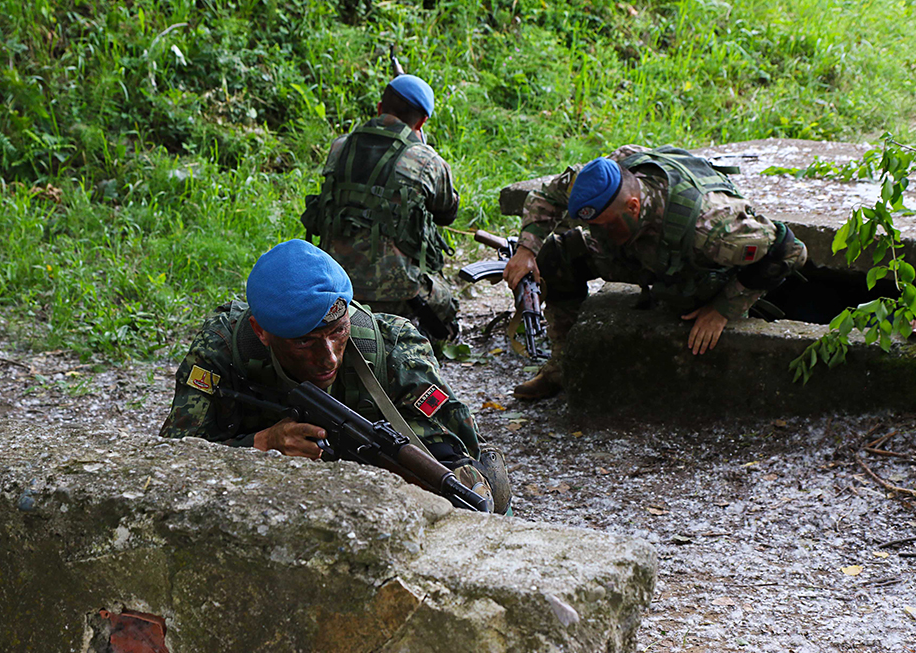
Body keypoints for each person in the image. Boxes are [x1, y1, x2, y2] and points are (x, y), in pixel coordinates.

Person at [159, 239, 510, 513]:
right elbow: (169, 462)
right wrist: (262, 445)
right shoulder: (223, 351)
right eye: (303, 342)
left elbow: (460, 448)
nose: (327, 356)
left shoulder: (394, 347)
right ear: (261, 331)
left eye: (338, 332)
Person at [503, 144, 808, 400]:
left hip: (697, 269)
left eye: (607, 226)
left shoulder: (716, 230)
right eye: (593, 227)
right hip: (639, 254)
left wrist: (724, 308)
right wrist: (526, 250)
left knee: (687, 301)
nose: (598, 235)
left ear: (633, 206)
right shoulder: (602, 178)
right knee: (557, 254)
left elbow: (790, 251)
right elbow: (548, 196)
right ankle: (561, 366)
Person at [300, 74, 461, 341]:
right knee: (447, 309)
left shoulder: (340, 147)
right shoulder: (427, 160)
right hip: (399, 293)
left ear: (379, 108)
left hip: (334, 284)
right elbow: (446, 213)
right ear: (421, 121)